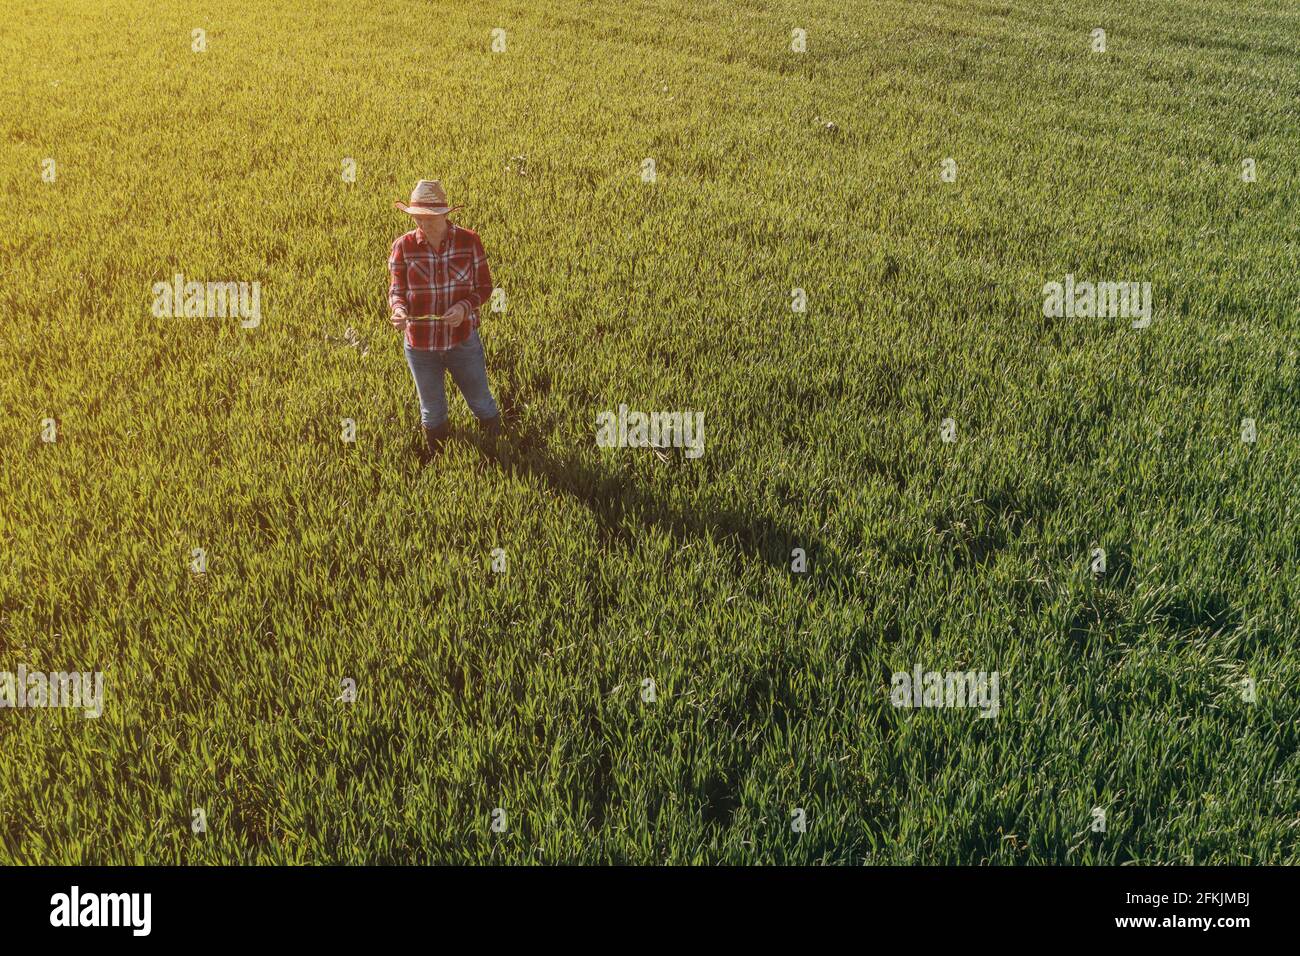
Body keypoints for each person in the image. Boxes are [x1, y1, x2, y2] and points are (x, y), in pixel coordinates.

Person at [388, 179, 501, 458]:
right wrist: (399, 310)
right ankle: (439, 459)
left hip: (462, 340)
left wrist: (464, 307)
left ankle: (499, 450)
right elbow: (396, 291)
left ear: (445, 215)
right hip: (420, 345)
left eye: (429, 218)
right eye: (417, 218)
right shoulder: (403, 247)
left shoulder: (469, 242)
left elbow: (485, 288)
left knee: (480, 401)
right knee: (432, 409)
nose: (423, 224)